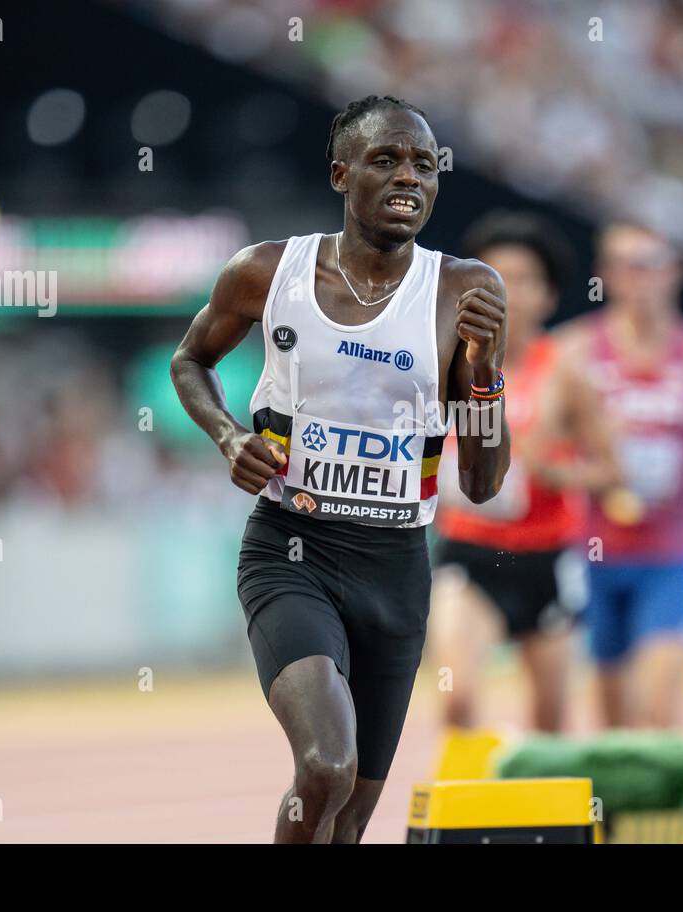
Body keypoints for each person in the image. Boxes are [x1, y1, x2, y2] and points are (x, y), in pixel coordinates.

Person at [170, 95, 510, 843]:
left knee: (349, 820)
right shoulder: (266, 271)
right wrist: (229, 437)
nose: (408, 178)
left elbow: (484, 482)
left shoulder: (465, 291)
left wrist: (484, 376)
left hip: (396, 568)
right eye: (386, 159)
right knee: (325, 763)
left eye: (424, 165)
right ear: (340, 172)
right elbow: (190, 359)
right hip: (292, 550)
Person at [430, 211, 614, 733]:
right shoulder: (441, 362)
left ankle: (535, 811)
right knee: (457, 699)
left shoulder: (566, 372)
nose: (508, 291)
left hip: (545, 558)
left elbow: (611, 469)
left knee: (551, 720)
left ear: (549, 296)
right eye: (494, 276)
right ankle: (467, 809)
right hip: (469, 554)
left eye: (525, 278)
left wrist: (557, 472)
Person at [548, 221, 683, 729]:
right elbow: (538, 454)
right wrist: (594, 473)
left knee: (657, 710)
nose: (641, 277)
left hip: (668, 556)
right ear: (606, 275)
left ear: (676, 271)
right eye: (627, 264)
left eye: (652, 263)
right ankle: (617, 810)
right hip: (593, 555)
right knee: (615, 723)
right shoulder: (574, 351)